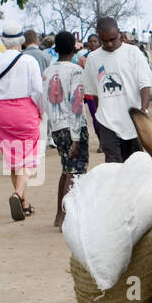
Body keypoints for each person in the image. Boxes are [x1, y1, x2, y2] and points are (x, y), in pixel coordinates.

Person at [0, 21, 44, 221]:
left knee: (14, 158)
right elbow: (38, 91)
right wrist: (40, 111)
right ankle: (17, 195)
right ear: (22, 40)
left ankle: (23, 202)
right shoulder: (29, 61)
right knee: (28, 159)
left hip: (2, 112)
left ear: (2, 40)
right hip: (25, 111)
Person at [82, 16, 152, 163]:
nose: (108, 44)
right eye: (104, 40)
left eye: (112, 39)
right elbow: (95, 94)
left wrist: (143, 110)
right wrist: (98, 118)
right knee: (113, 165)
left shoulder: (133, 53)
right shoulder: (93, 58)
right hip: (107, 122)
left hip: (133, 121)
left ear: (120, 33)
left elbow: (145, 84)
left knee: (136, 163)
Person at [43, 31, 87, 228]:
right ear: (73, 48)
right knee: (75, 172)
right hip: (72, 126)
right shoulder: (76, 71)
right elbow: (77, 104)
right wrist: (77, 138)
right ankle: (67, 218)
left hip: (57, 127)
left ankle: (59, 216)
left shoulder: (48, 71)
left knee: (66, 170)